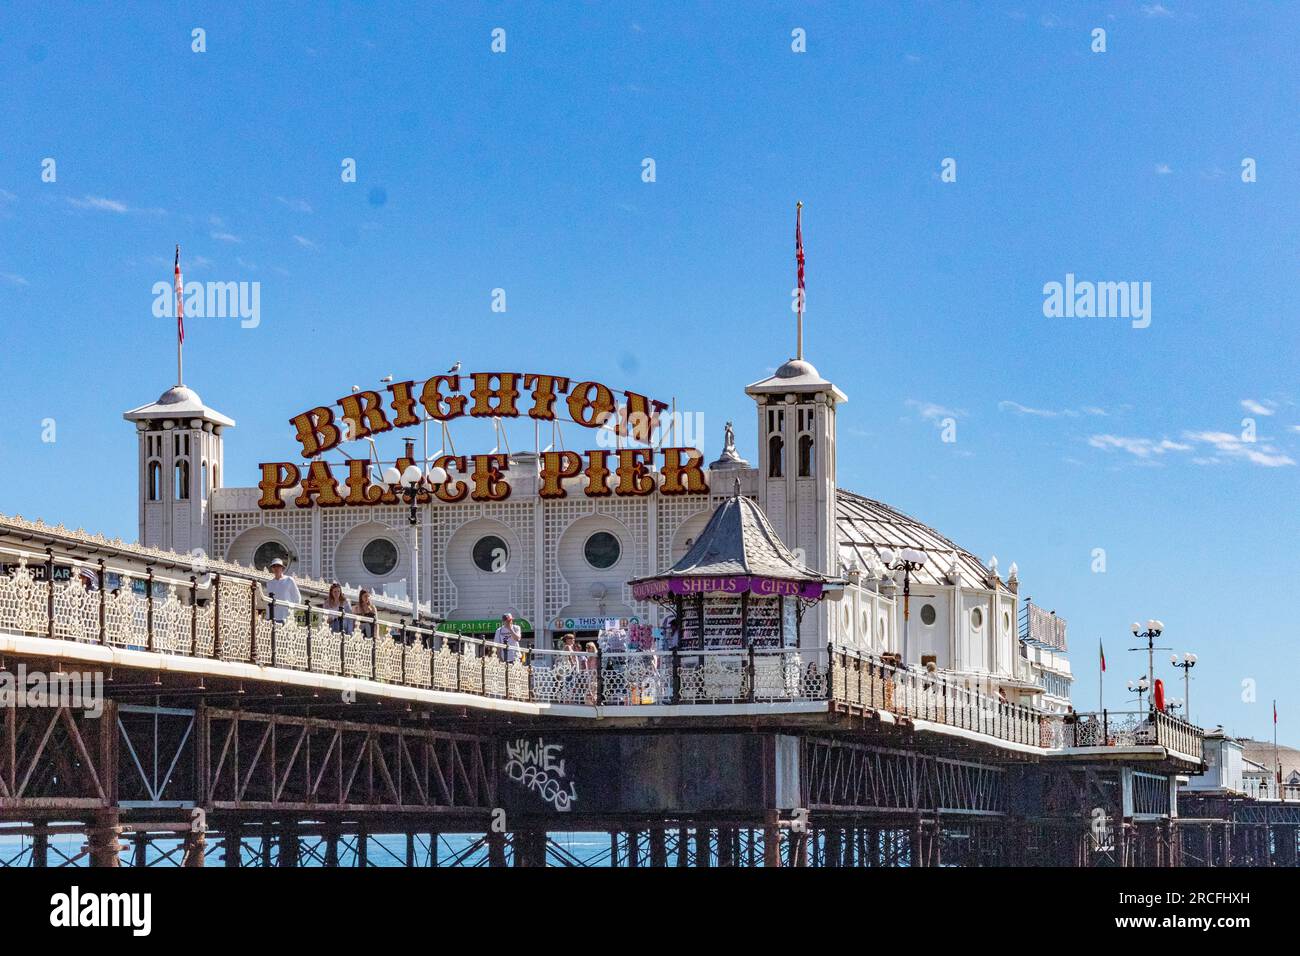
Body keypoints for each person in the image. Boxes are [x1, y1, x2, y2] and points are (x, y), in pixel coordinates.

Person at [263, 558, 300, 623]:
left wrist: (291, 613)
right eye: (274, 566)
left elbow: (297, 598)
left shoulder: (289, 580)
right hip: (271, 617)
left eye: (278, 566)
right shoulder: (269, 583)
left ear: (282, 568)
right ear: (272, 568)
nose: (276, 568)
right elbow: (268, 601)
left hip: (285, 617)